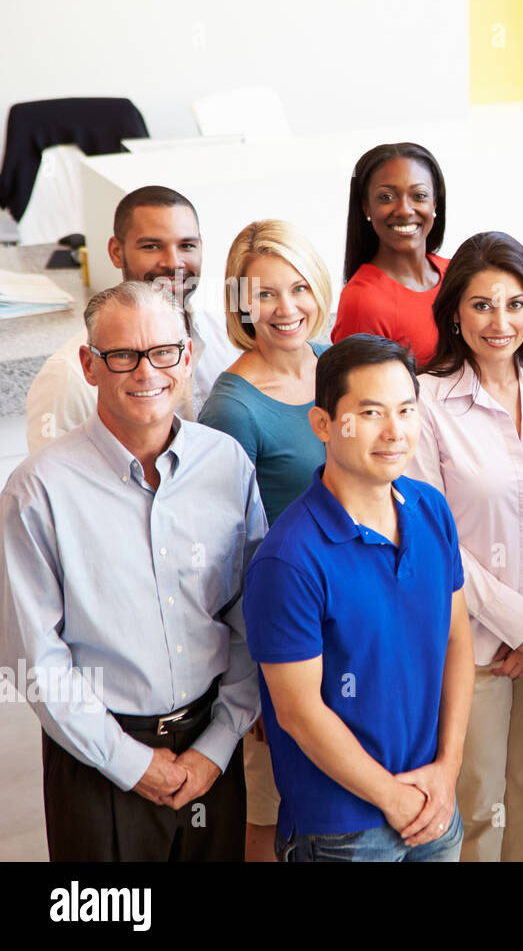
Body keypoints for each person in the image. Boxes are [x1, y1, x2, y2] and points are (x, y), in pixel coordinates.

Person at [1, 281, 265, 861]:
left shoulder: (227, 466)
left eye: (163, 352)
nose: (146, 372)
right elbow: (35, 662)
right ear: (90, 366)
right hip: (95, 757)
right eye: (122, 356)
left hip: (209, 753)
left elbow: (251, 620)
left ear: (187, 356)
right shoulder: (37, 491)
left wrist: (218, 745)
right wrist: (131, 763)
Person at [243, 335, 475, 862]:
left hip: (433, 800)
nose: (394, 432)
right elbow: (299, 712)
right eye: (370, 413)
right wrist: (391, 797)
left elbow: (457, 642)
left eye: (405, 410)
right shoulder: (289, 559)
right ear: (322, 424)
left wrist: (448, 768)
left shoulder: (431, 509)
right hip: (342, 829)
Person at [408, 231, 523, 862]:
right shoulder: (425, 401)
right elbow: (427, 533)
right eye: (482, 304)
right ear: (454, 310)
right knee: (477, 800)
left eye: (514, 304)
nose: (500, 321)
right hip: (469, 642)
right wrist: (515, 621)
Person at [197, 219, 333, 861]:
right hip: (280, 637)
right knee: (269, 814)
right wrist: (247, 682)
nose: (287, 309)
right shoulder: (233, 407)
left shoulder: (338, 365)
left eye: (299, 288)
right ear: (240, 303)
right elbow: (223, 557)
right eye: (266, 294)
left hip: (348, 622)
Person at [25, 185, 240, 453]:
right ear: (116, 252)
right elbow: (53, 484)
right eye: (152, 246)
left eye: (186, 245)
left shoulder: (228, 337)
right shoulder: (69, 374)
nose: (174, 263)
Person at [331, 142, 450, 364]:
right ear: (366, 206)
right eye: (386, 197)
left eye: (419, 195)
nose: (404, 210)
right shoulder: (363, 301)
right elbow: (359, 394)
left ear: (435, 202)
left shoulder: (458, 273)